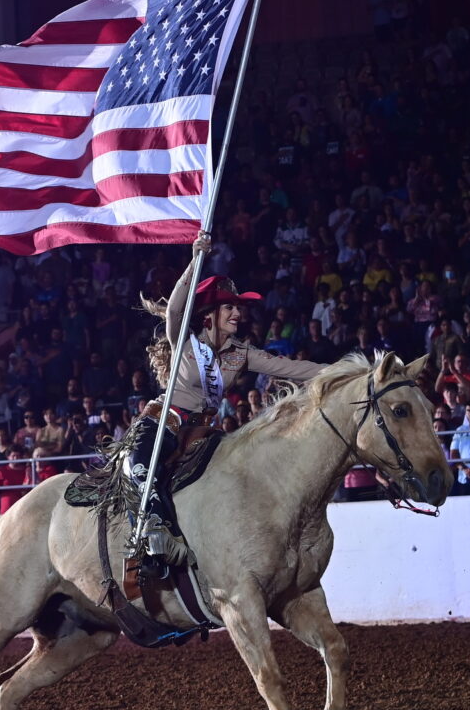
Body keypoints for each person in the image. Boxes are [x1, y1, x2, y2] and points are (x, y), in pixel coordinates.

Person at [130, 233, 325, 572]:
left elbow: (291, 368)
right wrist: (195, 260)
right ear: (209, 314)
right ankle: (149, 544)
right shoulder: (185, 342)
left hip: (206, 433)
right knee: (141, 468)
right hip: (167, 421)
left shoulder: (242, 353)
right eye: (230, 307)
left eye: (238, 307)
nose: (238, 312)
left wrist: (345, 370)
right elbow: (176, 307)